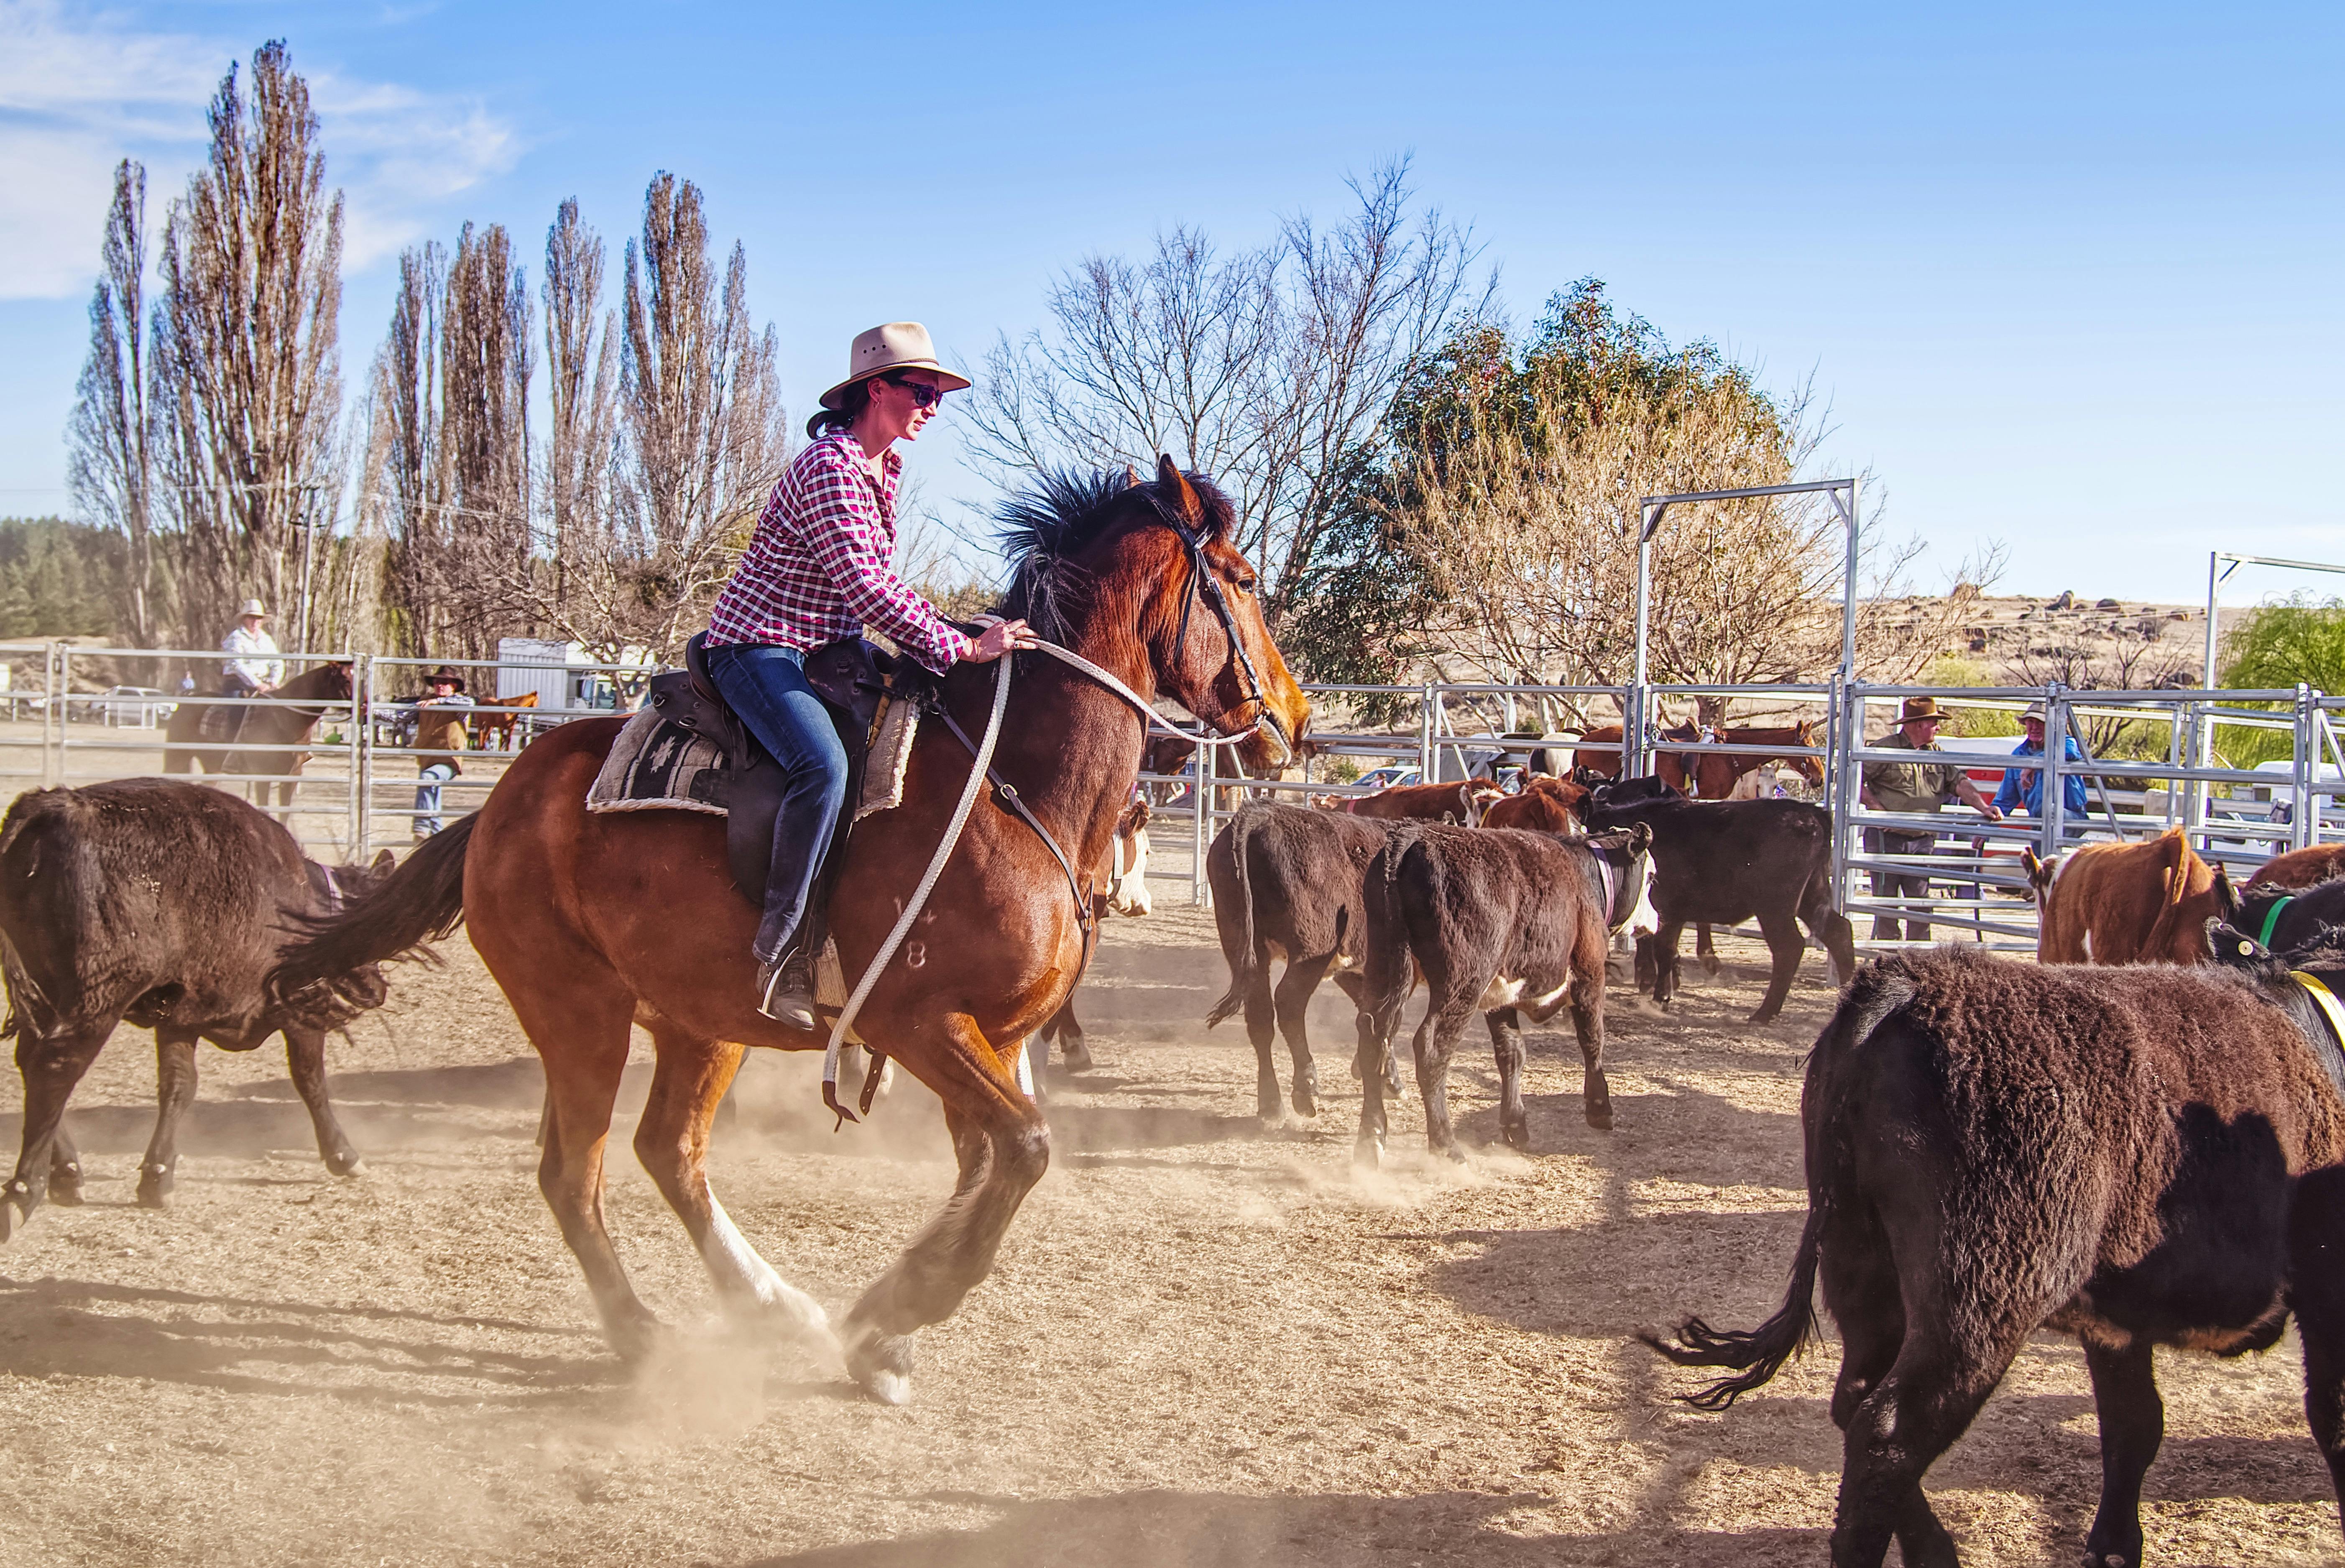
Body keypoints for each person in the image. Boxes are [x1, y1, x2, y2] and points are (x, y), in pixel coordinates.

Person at [702, 322, 1038, 1024]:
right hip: (760, 645)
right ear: (873, 389)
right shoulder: (830, 467)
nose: (932, 407)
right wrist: (961, 648)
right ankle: (781, 950)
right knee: (820, 766)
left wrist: (954, 628)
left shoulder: (881, 469)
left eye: (939, 396)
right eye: (922, 391)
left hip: (826, 647)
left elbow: (880, 582)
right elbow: (863, 586)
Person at [1857, 696, 2002, 942]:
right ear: (1918, 725)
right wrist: (1875, 807)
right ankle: (1889, 957)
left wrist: (1983, 806)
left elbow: (1959, 783)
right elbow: (1853, 778)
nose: (1938, 727)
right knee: (1886, 903)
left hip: (1922, 839)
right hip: (1887, 837)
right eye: (1934, 722)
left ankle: (1918, 959)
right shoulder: (1885, 749)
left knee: (1921, 903)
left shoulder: (1936, 754)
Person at [1993, 702, 2090, 822]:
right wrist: (1986, 830)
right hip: (2040, 822)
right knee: (2044, 816)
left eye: (2040, 722)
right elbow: (2004, 800)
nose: (2035, 727)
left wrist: (2035, 764)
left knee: (2048, 811)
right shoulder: (2019, 755)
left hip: (2071, 818)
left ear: (2052, 726)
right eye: (2031, 722)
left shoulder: (2065, 743)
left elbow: (2071, 750)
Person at [409, 666, 473, 838]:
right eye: (437, 682)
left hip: (448, 759)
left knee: (428, 780)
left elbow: (470, 704)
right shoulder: (426, 702)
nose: (440, 686)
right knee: (432, 791)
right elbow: (402, 715)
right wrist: (371, 710)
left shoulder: (459, 704)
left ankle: (421, 827)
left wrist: (438, 702)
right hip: (428, 757)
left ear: (454, 686)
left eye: (445, 683)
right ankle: (437, 835)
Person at [219, 598, 283, 697]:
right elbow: (238, 665)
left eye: (259, 618)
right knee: (237, 705)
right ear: (244, 619)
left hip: (264, 682)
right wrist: (257, 684)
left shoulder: (266, 639)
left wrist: (274, 682)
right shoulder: (236, 637)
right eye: (251, 618)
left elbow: (278, 662)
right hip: (239, 683)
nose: (255, 621)